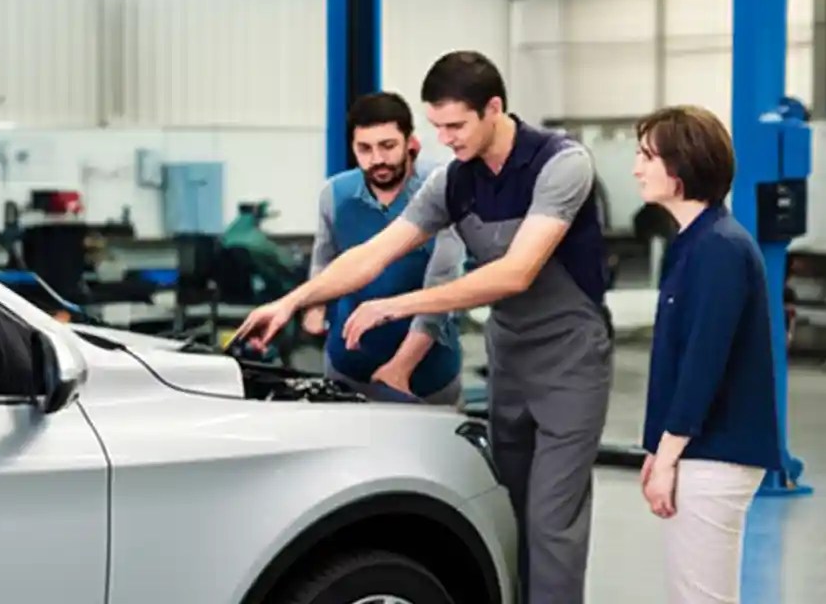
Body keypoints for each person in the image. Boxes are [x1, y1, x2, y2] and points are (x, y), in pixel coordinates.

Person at [236, 51, 613, 603]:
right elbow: (372, 253)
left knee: (552, 522)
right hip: (510, 357)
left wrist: (396, 306)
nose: (445, 139)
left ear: (494, 109)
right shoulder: (453, 181)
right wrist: (292, 301)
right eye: (437, 127)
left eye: (456, 126)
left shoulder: (561, 163)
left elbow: (516, 272)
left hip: (570, 360)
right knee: (508, 509)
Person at [631, 105, 784, 604]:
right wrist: (658, 450)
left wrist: (668, 454)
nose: (637, 168)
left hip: (715, 453)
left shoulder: (719, 248)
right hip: (695, 450)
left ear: (682, 168)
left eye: (647, 156)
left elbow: (703, 362)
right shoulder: (694, 242)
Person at [303, 91, 466, 406]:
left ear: (410, 142)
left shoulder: (443, 187)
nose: (377, 159)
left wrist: (400, 368)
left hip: (428, 376)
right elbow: (324, 259)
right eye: (364, 148)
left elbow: (442, 289)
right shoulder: (335, 194)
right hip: (347, 370)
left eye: (388, 146)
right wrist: (315, 309)